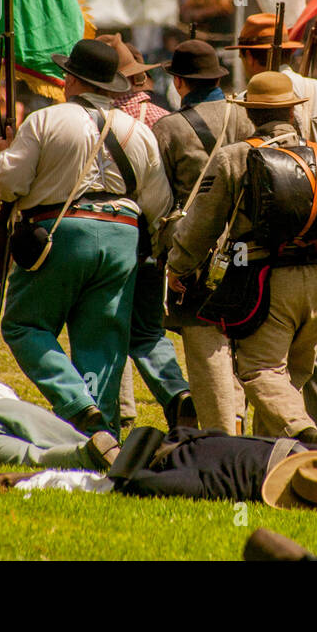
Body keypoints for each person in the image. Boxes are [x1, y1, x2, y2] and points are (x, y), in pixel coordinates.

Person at [165, 71, 317, 447]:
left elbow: (201, 227)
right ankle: (269, 456)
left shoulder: (234, 157)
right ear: (293, 112)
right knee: (291, 377)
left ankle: (302, 428)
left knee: (260, 372)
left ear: (250, 115)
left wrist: (179, 266)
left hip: (265, 279)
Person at [0, 39, 173, 436]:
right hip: (124, 236)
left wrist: (2, 153)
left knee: (24, 326)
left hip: (60, 231)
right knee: (102, 343)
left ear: (70, 79)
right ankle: (101, 436)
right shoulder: (138, 132)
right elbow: (159, 203)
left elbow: (9, 184)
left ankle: (76, 402)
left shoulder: (44, 120)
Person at [230, 13, 317, 441]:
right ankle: (315, 434)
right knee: (312, 355)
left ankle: (300, 429)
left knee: (263, 365)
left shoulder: (243, 101)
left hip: (264, 263)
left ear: (248, 55)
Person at [90, 34, 194, 430]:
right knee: (149, 332)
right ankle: (176, 393)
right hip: (155, 236)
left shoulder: (93, 120)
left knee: (104, 326)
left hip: (112, 233)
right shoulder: (163, 118)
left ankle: (107, 413)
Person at [152, 40, 254, 435]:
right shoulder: (249, 118)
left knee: (204, 339)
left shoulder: (169, 128)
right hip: (249, 246)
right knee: (245, 336)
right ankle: (241, 415)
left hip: (197, 250)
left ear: (179, 82)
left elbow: (160, 197)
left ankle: (219, 434)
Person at [0, 425, 317, 517]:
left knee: (114, 485)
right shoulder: (210, 484)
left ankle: (38, 476)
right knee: (114, 487)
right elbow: (135, 486)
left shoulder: (309, 455)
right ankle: (36, 477)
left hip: (195, 442)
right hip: (185, 457)